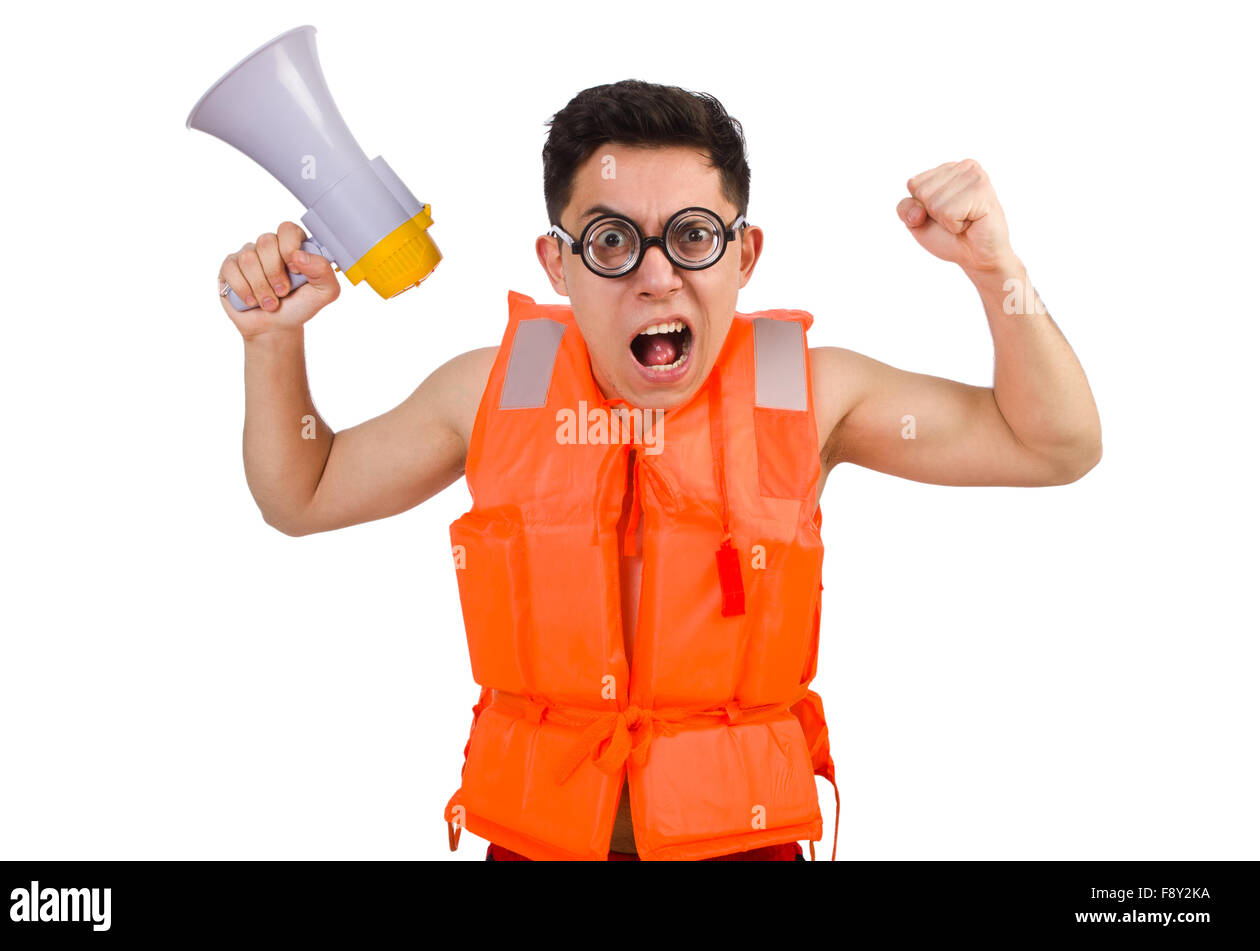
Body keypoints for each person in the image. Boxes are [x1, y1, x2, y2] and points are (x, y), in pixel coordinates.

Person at [215, 80, 1102, 861]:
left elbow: (1054, 444)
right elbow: (304, 491)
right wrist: (272, 340)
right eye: (609, 241)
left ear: (745, 256)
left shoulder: (812, 390)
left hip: (744, 850)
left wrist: (998, 273)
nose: (655, 276)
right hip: (534, 848)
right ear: (556, 263)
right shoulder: (491, 387)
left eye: (692, 236)